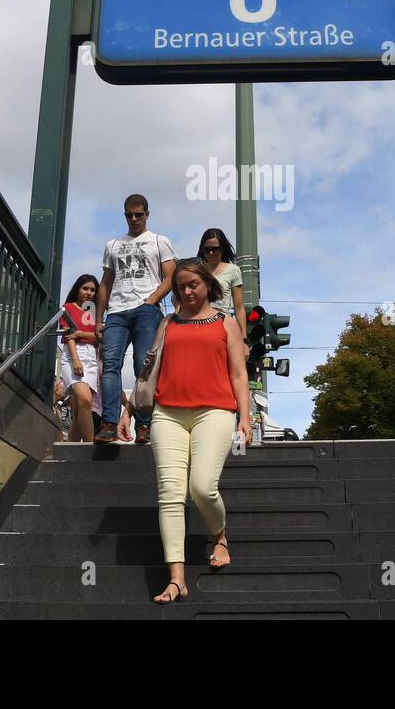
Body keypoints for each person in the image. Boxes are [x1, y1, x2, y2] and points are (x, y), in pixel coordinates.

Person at [149, 259, 252, 603]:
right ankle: (177, 579)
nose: (187, 291)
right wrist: (126, 411)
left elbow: (239, 374)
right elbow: (150, 369)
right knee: (170, 494)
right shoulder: (167, 322)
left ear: (208, 284)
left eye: (193, 284)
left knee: (202, 487)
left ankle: (219, 535)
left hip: (215, 411)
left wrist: (245, 417)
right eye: (181, 286)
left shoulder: (226, 323)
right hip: (167, 414)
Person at [95, 194, 177, 445]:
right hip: (117, 312)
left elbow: (171, 277)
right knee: (110, 364)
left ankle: (144, 424)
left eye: (139, 214)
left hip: (146, 310)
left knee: (144, 365)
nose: (134, 219)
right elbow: (106, 283)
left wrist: (151, 300)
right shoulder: (113, 244)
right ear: (124, 215)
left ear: (147, 214)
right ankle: (108, 423)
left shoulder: (159, 241)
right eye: (129, 215)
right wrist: (99, 318)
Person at [59, 274, 101, 443]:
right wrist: (76, 359)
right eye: (85, 288)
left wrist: (81, 333)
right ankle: (91, 446)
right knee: (85, 400)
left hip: (92, 356)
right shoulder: (68, 308)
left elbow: (100, 337)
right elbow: (69, 336)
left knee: (79, 409)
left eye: (92, 290)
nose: (89, 293)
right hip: (73, 355)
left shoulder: (93, 310)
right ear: (77, 288)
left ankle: (71, 448)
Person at [197, 228, 246, 332]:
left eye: (215, 249)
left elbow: (239, 307)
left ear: (222, 248)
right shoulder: (196, 270)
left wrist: (243, 338)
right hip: (198, 325)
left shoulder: (233, 270)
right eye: (207, 249)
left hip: (222, 325)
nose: (211, 253)